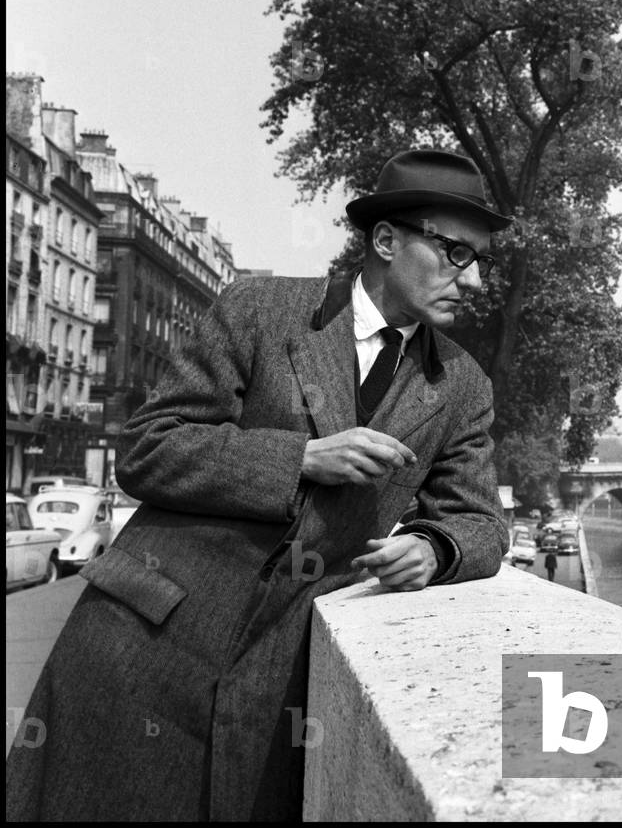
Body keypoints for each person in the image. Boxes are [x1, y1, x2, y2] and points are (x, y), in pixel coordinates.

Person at [6, 150, 512, 822]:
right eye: (454, 252)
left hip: (276, 687)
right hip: (139, 647)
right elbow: (149, 449)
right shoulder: (260, 310)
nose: (472, 279)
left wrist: (433, 546)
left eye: (479, 259)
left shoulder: (464, 386)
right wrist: (299, 457)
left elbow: (481, 523)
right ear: (387, 241)